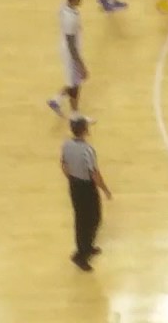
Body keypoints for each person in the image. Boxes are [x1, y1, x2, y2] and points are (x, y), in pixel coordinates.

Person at [61, 115, 111, 271]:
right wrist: (105, 189)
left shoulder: (66, 145)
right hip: (86, 187)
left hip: (74, 184)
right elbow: (94, 173)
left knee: (81, 218)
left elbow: (63, 164)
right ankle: (81, 255)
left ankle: (86, 247)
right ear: (84, 130)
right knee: (93, 218)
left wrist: (71, 178)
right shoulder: (87, 150)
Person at [47, 0, 88, 117]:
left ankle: (56, 100)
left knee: (73, 82)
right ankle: (75, 115)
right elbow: (72, 46)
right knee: (75, 85)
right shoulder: (71, 19)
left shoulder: (63, 7)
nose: (81, 0)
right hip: (71, 53)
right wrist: (81, 65)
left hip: (65, 48)